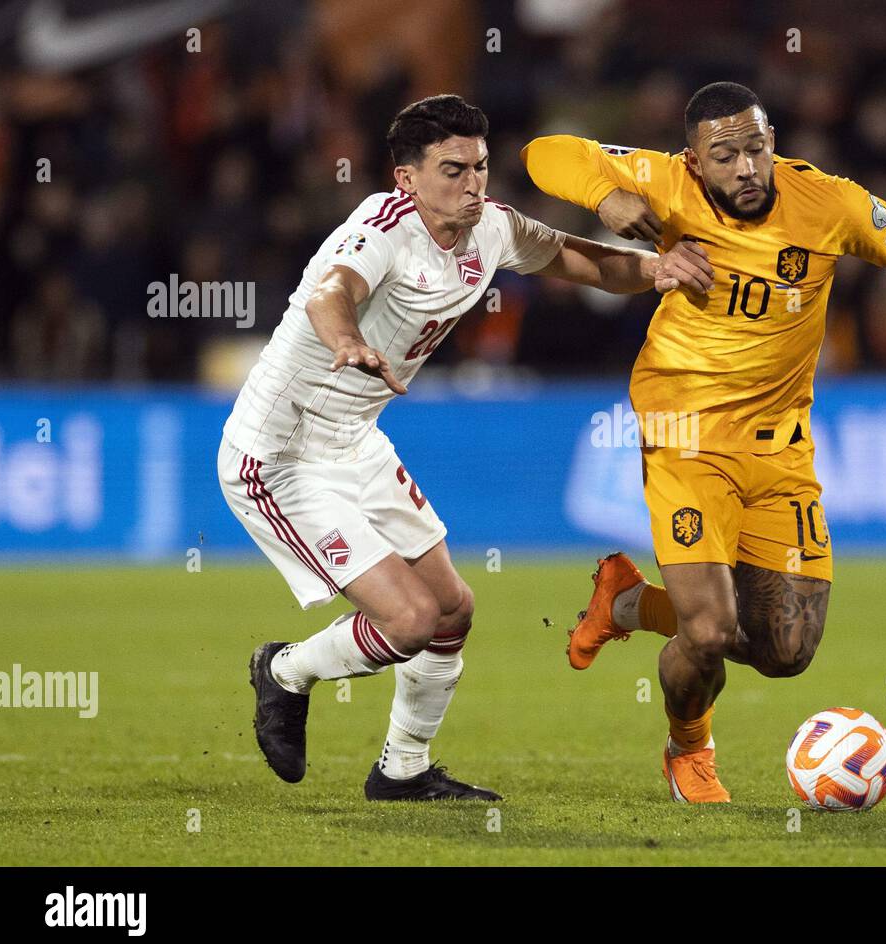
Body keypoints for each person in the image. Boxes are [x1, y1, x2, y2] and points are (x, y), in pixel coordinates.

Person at [218, 94, 710, 801]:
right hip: (280, 455)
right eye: (453, 170)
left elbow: (584, 260)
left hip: (354, 441)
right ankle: (284, 671)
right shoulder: (380, 229)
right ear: (407, 179)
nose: (473, 184)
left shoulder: (493, 229)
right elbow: (333, 290)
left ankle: (403, 771)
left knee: (452, 610)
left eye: (480, 167)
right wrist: (349, 340)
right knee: (410, 620)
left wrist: (656, 270)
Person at [522, 82, 886, 803]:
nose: (744, 167)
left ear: (774, 143)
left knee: (785, 650)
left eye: (756, 148)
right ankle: (689, 751)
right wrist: (606, 200)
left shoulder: (825, 202)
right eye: (724, 154)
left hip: (779, 448)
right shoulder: (665, 182)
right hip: (684, 436)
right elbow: (546, 152)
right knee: (707, 632)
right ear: (695, 162)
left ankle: (628, 604)